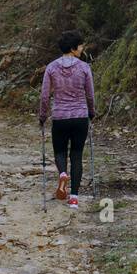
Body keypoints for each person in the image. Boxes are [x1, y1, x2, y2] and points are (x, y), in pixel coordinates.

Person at [39, 30, 96, 209]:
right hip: (80, 116)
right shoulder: (84, 67)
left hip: (60, 116)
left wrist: (42, 115)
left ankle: (63, 173)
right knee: (77, 155)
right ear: (73, 48)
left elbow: (44, 96)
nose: (82, 49)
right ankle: (74, 198)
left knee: (60, 151)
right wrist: (92, 112)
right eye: (80, 46)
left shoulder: (51, 68)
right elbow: (90, 95)